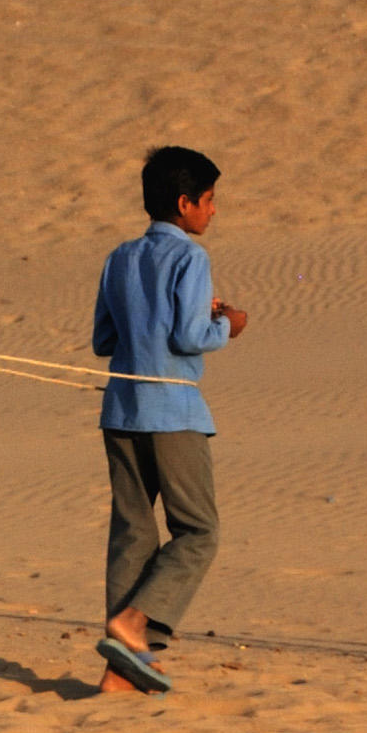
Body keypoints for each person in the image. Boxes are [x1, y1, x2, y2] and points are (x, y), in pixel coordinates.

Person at [87, 144, 245, 698]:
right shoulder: (190, 259)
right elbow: (188, 338)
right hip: (173, 411)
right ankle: (135, 627)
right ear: (185, 204)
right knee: (199, 532)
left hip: (121, 411)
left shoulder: (120, 257)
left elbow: (103, 340)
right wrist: (228, 324)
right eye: (209, 200)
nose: (213, 211)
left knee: (133, 533)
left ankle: (120, 671)